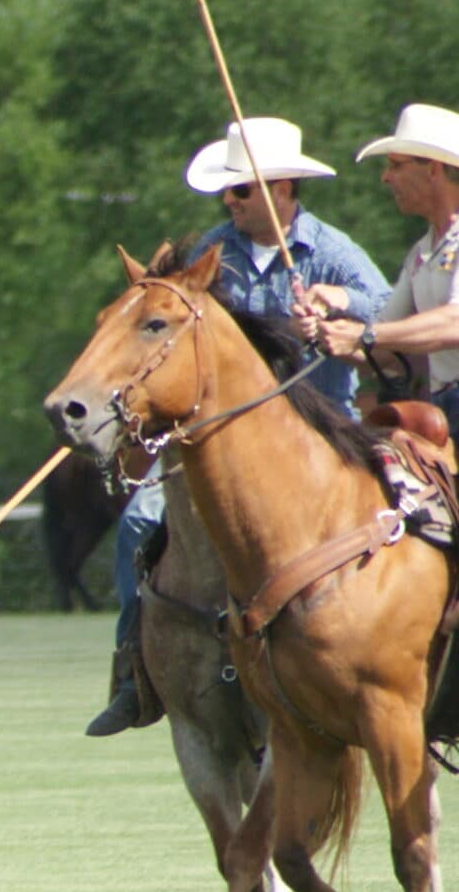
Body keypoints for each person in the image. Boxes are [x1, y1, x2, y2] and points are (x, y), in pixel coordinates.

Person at [88, 119, 387, 737]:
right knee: (141, 519)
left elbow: (387, 305)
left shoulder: (329, 250)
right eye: (229, 191)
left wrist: (339, 304)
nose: (232, 201)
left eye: (244, 190)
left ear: (283, 188)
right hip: (222, 443)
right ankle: (133, 668)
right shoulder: (208, 259)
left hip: (319, 439)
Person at [303, 103, 459, 435]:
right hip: (445, 410)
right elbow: (386, 353)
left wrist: (364, 334)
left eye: (395, 165)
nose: (385, 177)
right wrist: (328, 332)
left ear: (433, 169)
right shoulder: (422, 252)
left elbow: (454, 322)